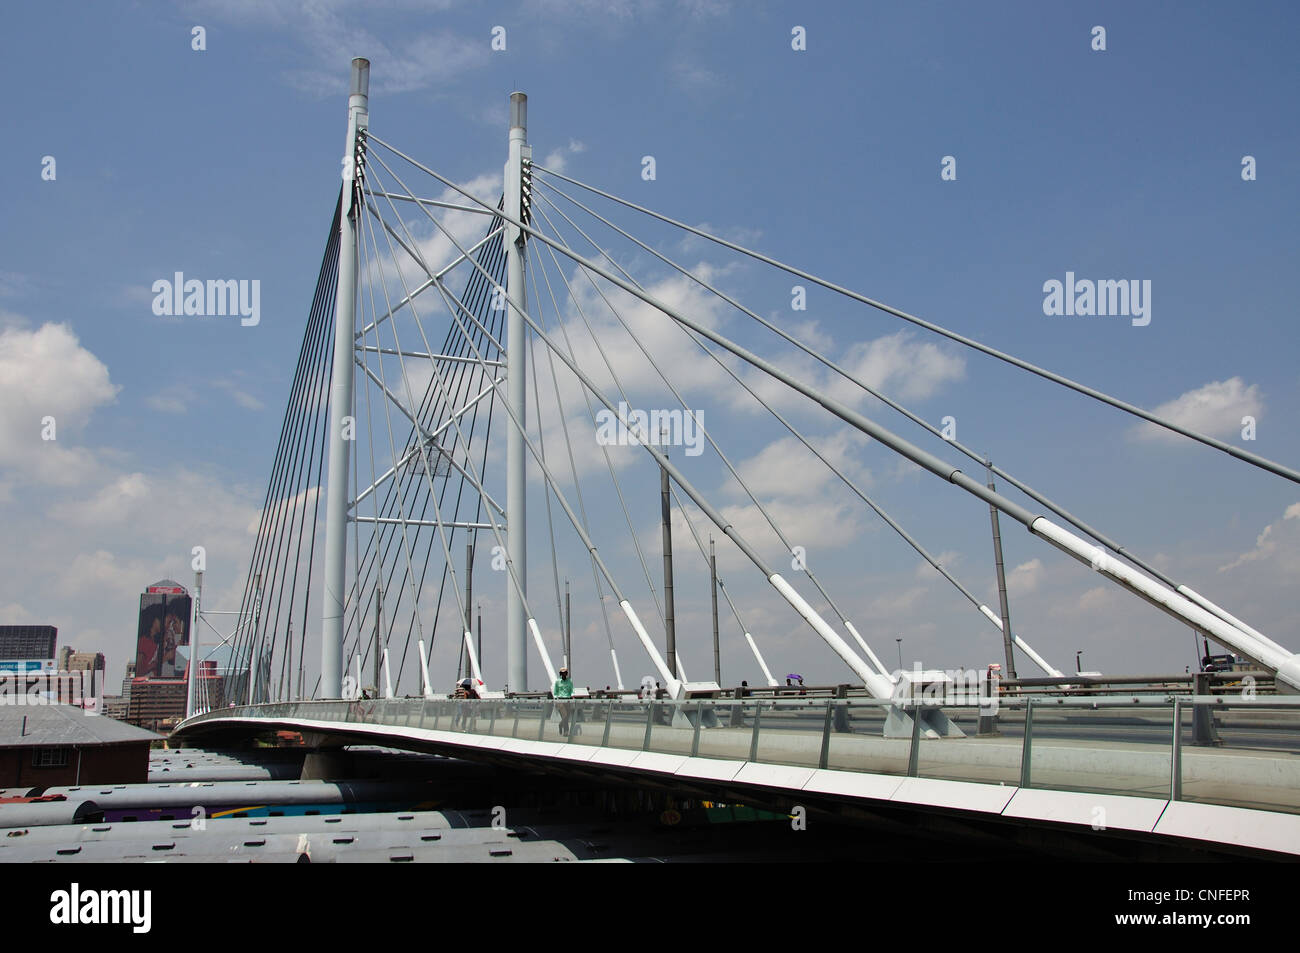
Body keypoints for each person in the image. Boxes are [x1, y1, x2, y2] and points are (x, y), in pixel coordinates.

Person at [553, 667, 574, 735]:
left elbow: (572, 690)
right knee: (564, 715)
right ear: (560, 674)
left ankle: (560, 724)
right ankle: (566, 731)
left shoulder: (570, 681)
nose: (563, 674)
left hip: (568, 700)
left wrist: (572, 696)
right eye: (562, 673)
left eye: (565, 673)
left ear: (566, 673)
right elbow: (555, 692)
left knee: (567, 716)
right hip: (560, 700)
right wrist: (556, 699)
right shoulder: (558, 682)